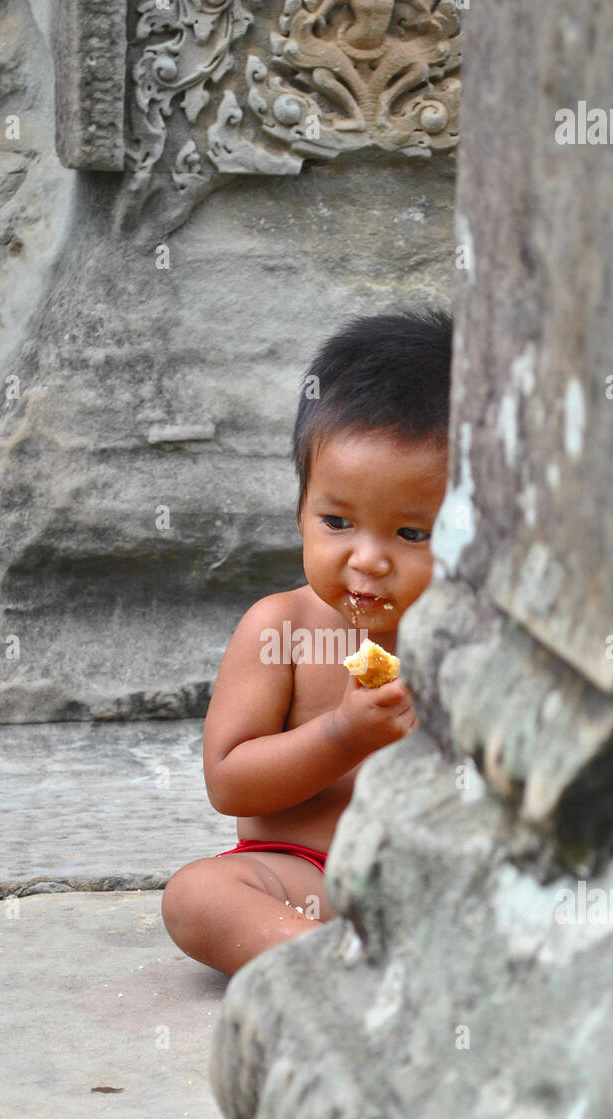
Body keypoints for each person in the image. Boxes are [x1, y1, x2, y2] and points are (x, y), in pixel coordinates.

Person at [161, 309, 451, 974]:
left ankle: (425, 961)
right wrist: (341, 736)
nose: (367, 560)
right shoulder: (281, 630)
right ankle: (336, 966)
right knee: (198, 896)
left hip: (439, 883)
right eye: (338, 521)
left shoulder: (479, 639)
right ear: (299, 511)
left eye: (412, 533)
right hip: (305, 878)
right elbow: (230, 782)